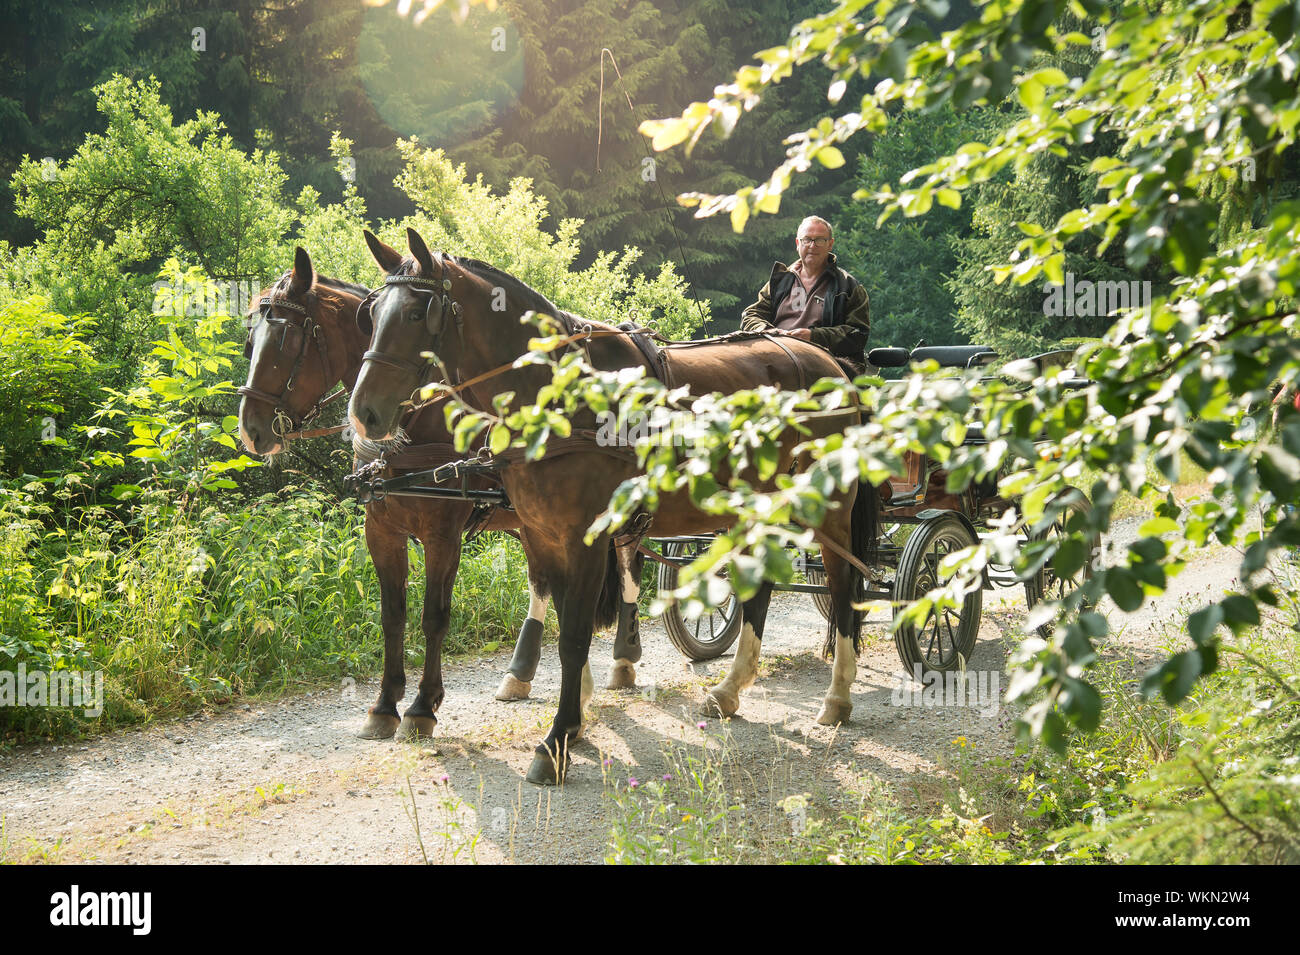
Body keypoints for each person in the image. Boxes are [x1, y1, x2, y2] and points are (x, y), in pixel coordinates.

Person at [739, 216, 870, 359]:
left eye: (819, 240)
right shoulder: (781, 280)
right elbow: (750, 315)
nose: (812, 246)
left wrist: (813, 337)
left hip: (825, 362)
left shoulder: (848, 286)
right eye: (807, 240)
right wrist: (769, 332)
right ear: (797, 243)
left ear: (830, 244)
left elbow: (858, 334)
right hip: (776, 354)